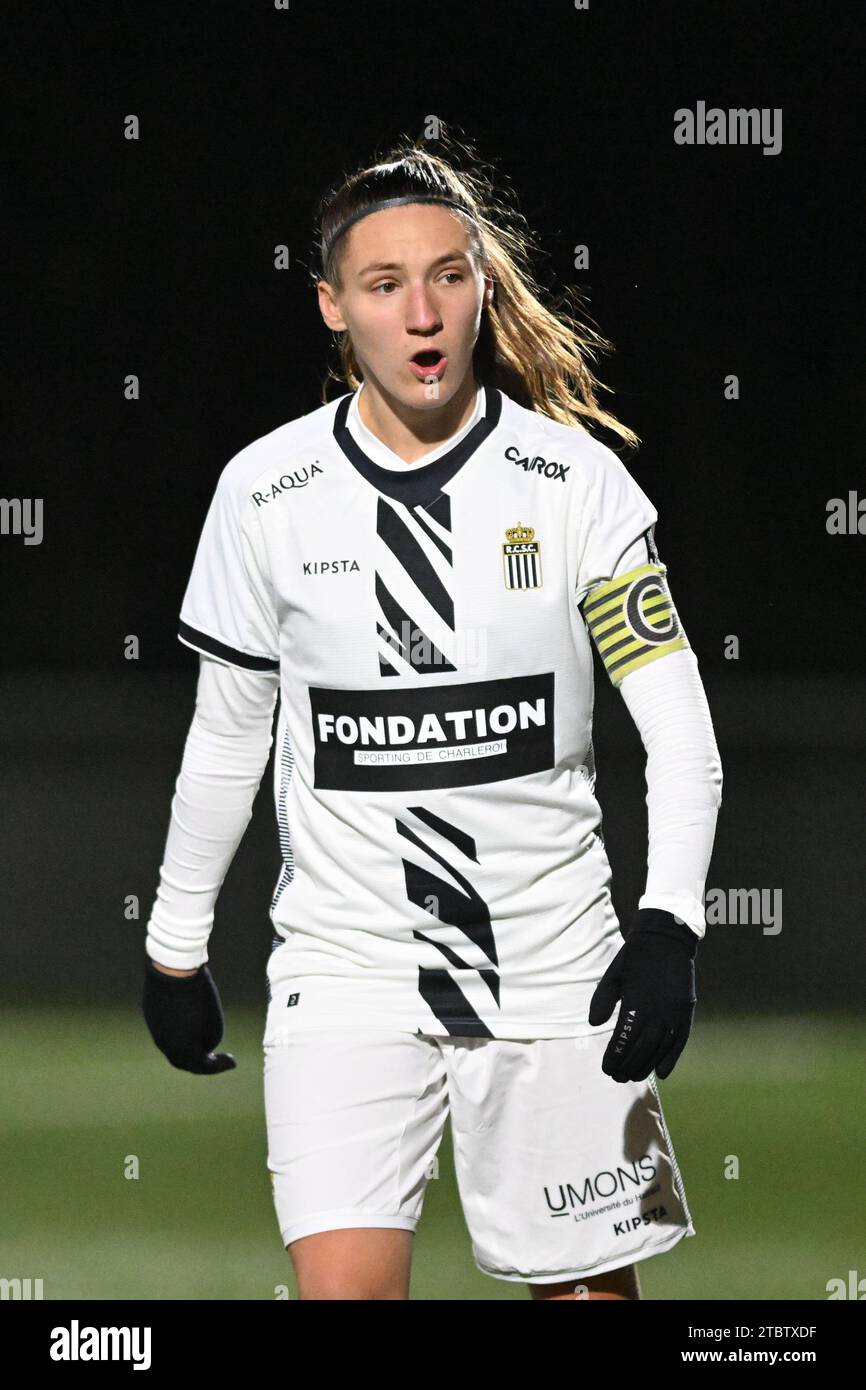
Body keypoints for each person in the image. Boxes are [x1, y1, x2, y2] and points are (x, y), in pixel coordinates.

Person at [142, 134, 722, 1301]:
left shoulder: (578, 487)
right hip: (344, 975)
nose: (421, 312)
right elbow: (224, 740)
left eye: (448, 276)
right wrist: (175, 944)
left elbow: (677, 730)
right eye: (382, 283)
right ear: (329, 305)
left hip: (563, 975)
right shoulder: (262, 494)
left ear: (481, 291)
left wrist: (667, 926)